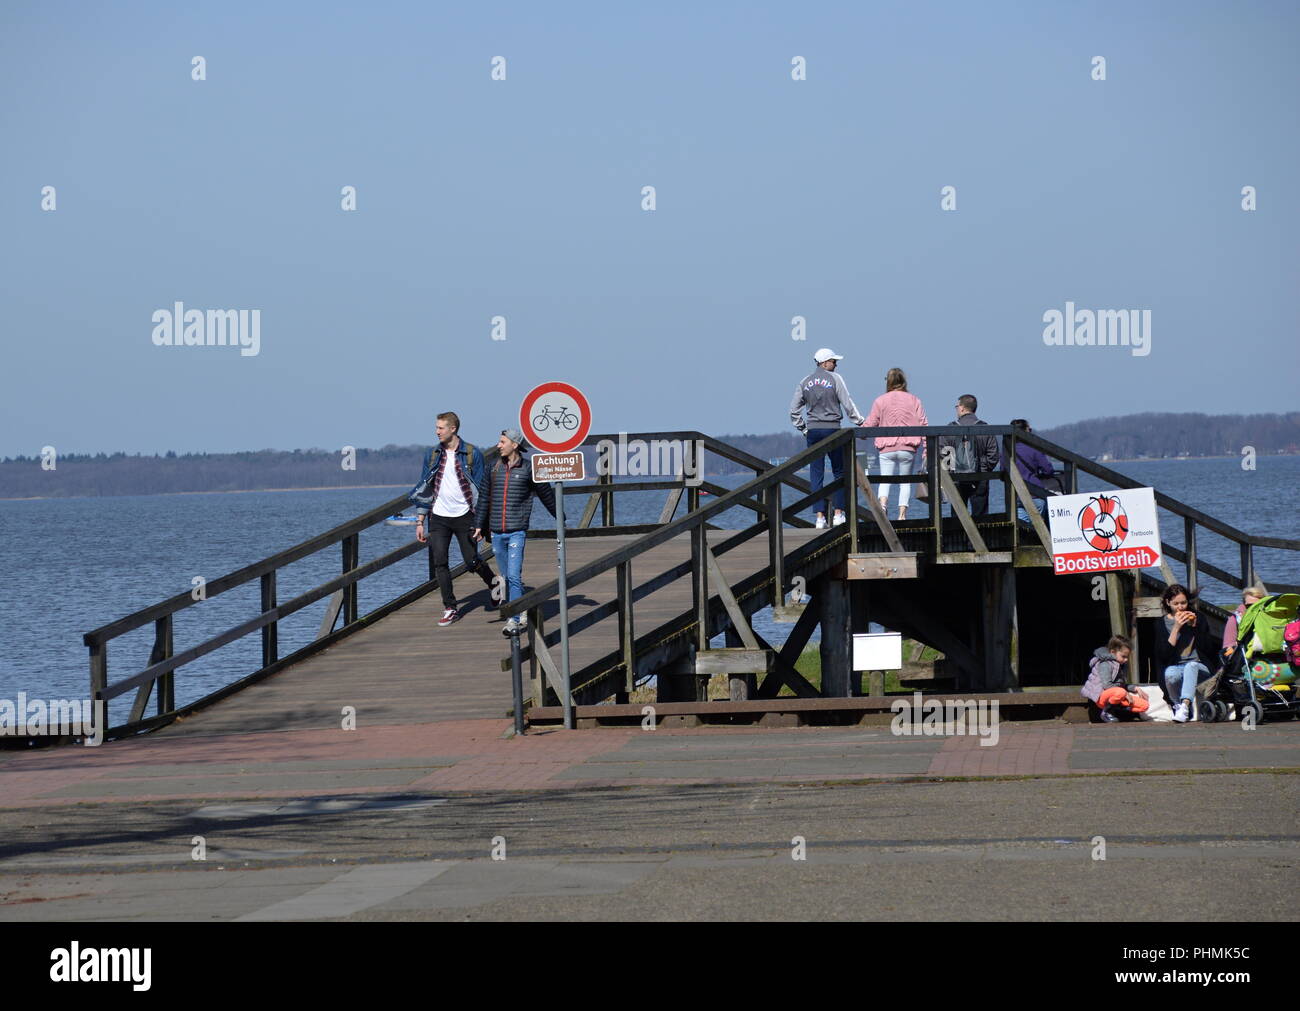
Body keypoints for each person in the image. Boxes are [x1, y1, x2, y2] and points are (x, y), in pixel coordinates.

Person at [408, 411, 496, 627]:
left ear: (453, 429)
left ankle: (494, 584)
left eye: (441, 428)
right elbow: (424, 488)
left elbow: (482, 490)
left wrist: (480, 522)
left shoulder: (471, 454)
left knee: (471, 561)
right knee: (440, 562)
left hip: (465, 516)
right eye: (436, 427)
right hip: (438, 517)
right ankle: (450, 607)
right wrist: (420, 520)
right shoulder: (432, 455)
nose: (437, 431)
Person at [475, 428, 557, 636]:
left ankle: (514, 618)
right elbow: (484, 498)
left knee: (512, 574)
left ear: (515, 444)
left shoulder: (528, 469)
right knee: (506, 575)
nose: (498, 445)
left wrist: (560, 517)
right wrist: (478, 525)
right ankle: (519, 607)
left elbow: (546, 493)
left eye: (502, 442)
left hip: (517, 531)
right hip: (496, 532)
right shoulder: (491, 469)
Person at [789, 348, 865, 528]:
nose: (836, 364)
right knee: (839, 471)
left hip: (814, 431)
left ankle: (820, 517)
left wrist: (803, 428)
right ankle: (838, 513)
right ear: (824, 363)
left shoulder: (804, 381)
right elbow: (847, 403)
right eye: (833, 361)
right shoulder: (836, 379)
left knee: (816, 473)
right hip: (833, 429)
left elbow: (793, 410)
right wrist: (860, 421)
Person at [860, 368, 928, 522]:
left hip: (886, 447)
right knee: (905, 482)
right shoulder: (914, 400)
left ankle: (883, 508)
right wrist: (926, 449)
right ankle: (902, 515)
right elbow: (924, 424)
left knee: (885, 479)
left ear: (888, 382)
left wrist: (862, 433)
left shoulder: (880, 400)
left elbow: (871, 422)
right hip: (908, 447)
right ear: (904, 381)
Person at [1153, 583, 1216, 723]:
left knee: (1191, 666)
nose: (1180, 607)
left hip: (1199, 666)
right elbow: (1163, 655)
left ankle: (1185, 706)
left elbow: (1209, 649)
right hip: (1177, 666)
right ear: (1168, 603)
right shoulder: (1161, 623)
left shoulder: (1199, 618)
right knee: (1170, 673)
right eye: (1176, 603)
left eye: (1183, 603)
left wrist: (1194, 627)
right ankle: (1178, 706)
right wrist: (1176, 628)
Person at [942, 394, 998, 517]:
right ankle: (981, 535)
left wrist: (952, 471)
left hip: (957, 479)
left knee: (957, 519)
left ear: (962, 408)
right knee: (981, 517)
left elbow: (944, 456)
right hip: (980, 477)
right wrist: (983, 469)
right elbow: (993, 456)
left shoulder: (950, 428)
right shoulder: (985, 428)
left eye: (957, 406)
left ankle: (958, 536)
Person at [1001, 419, 1056, 524]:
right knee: (1039, 528)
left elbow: (1003, 472)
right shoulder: (1033, 449)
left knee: (1024, 530)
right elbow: (1048, 470)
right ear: (1025, 432)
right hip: (1035, 494)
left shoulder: (1006, 451)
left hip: (1015, 496)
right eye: (1029, 429)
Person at [1081, 635, 1141, 722]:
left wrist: (1135, 688)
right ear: (1113, 652)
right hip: (1099, 699)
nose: (1126, 660)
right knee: (1120, 692)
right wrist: (1125, 693)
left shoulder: (1118, 665)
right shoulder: (1106, 664)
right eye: (1123, 656)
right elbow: (1107, 685)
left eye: (1127, 657)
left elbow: (1120, 685)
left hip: (1110, 696)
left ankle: (1121, 712)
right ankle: (1106, 712)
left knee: (1144, 705)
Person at [1223, 584, 1266, 654]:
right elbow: (1228, 645)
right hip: (1244, 657)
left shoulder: (1271, 618)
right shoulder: (1235, 620)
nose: (1253, 608)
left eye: (1258, 605)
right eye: (1249, 606)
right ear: (1244, 604)